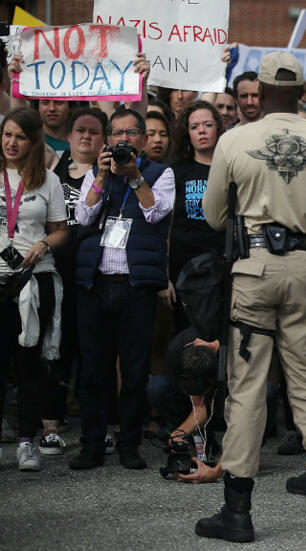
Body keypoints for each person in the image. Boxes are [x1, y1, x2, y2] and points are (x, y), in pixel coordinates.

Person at [197, 52, 306, 543]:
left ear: (257, 94)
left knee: (246, 388)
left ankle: (237, 512)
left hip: (254, 269)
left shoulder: (235, 139)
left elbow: (216, 215)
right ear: (303, 92)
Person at [69, 108, 175, 472]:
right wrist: (100, 174)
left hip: (135, 287)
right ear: (107, 139)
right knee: (93, 372)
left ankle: (129, 444)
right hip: (94, 285)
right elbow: (83, 218)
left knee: (133, 371)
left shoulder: (162, 174)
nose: (123, 140)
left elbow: (156, 213)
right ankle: (92, 444)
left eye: (131, 133)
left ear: (144, 140)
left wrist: (133, 178)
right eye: (116, 133)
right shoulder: (92, 175)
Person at [0, 107, 69, 471]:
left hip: (32, 280)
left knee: (28, 365)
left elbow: (61, 229)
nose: (12, 142)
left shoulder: (48, 180)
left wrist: (44, 244)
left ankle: (27, 441)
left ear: (33, 141)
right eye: (7, 134)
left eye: (20, 136)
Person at [46, 107, 109, 456]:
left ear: (104, 138)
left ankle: (95, 427)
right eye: (80, 131)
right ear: (68, 137)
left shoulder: (108, 175)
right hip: (54, 275)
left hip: (93, 277)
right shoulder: (51, 171)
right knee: (54, 349)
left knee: (91, 354)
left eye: (94, 131)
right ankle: (50, 424)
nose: (86, 136)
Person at [164, 101, 225, 331]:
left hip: (221, 269)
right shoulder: (176, 171)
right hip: (183, 272)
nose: (201, 130)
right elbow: (166, 227)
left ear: (218, 129)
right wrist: (165, 276)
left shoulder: (230, 169)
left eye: (208, 124)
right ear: (186, 133)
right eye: (195, 126)